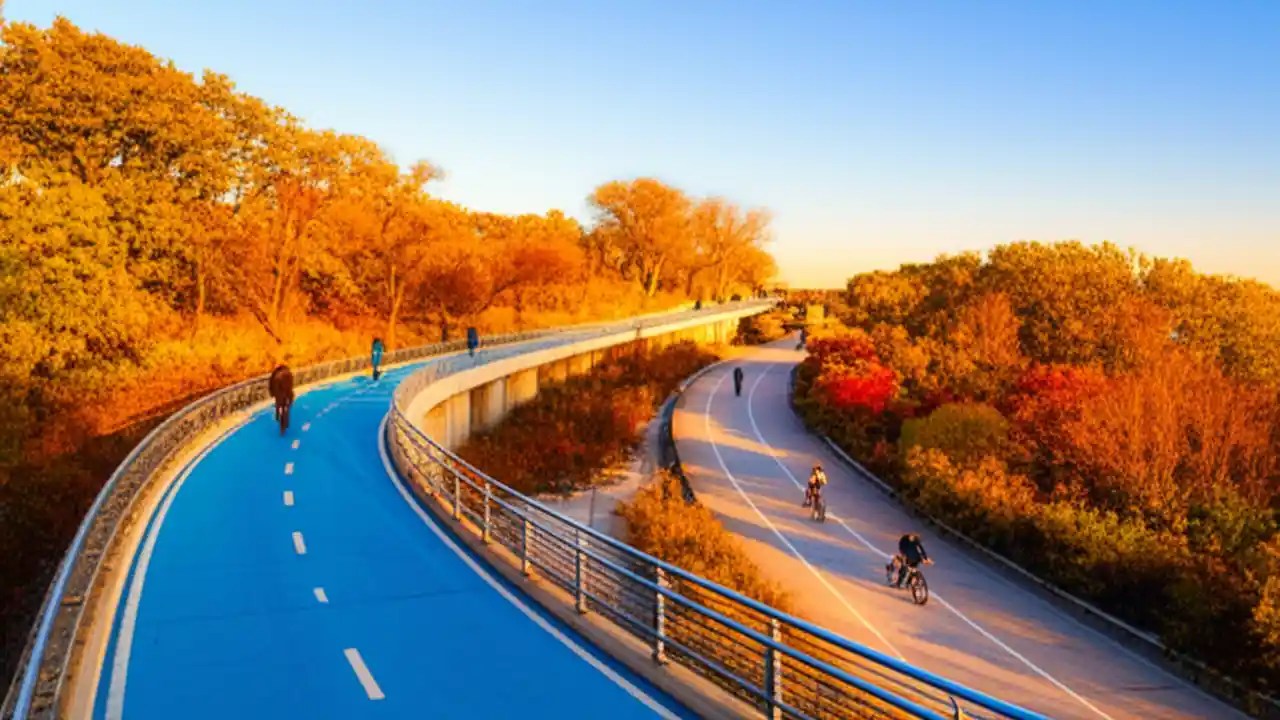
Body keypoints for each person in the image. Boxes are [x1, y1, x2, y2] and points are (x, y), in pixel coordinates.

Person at [267, 364, 295, 436]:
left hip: (280, 395)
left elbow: (273, 388)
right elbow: (291, 387)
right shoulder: (289, 375)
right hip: (287, 394)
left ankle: (278, 416)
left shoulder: (275, 376)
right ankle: (286, 421)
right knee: (286, 406)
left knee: (280, 404)